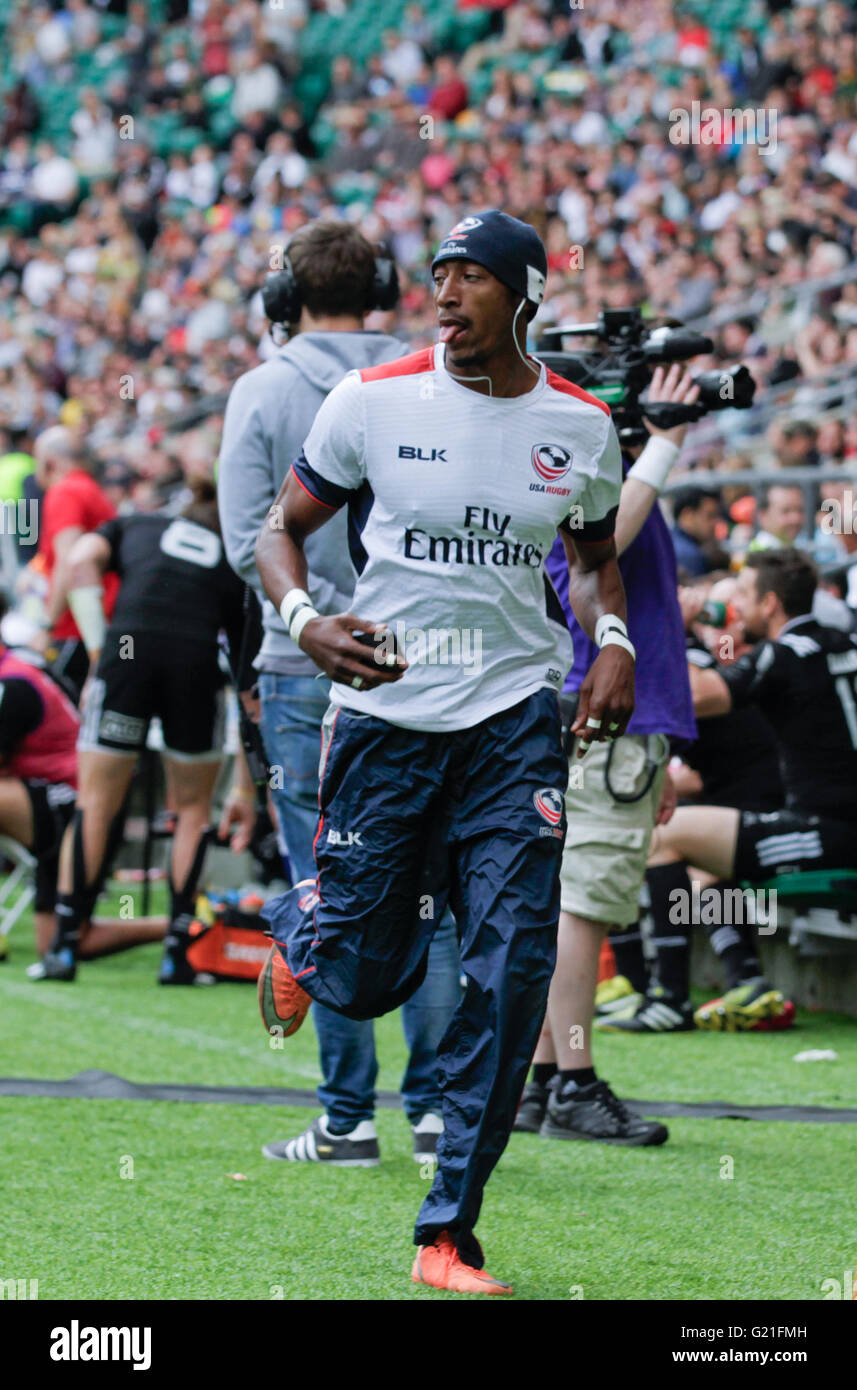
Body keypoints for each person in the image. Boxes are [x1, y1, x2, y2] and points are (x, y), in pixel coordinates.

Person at [254, 210, 634, 1295]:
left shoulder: (582, 425)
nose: (446, 292)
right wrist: (302, 620)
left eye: (470, 276)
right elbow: (276, 529)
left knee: (513, 963)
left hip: (513, 718)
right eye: (436, 275)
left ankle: (446, 1232)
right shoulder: (369, 399)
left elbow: (594, 561)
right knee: (370, 977)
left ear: (522, 296)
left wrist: (608, 638)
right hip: (384, 715)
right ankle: (305, 928)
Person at [218, 219, 461, 1168]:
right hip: (422, 664)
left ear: (284, 301)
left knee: (325, 882)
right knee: (428, 887)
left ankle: (346, 1118)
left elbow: (250, 536)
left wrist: (307, 616)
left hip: (300, 661)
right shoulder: (428, 379)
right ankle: (434, 1110)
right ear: (388, 289)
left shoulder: (265, 388)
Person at [516, 365, 699, 1143]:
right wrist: (661, 446)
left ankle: (544, 1080)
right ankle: (572, 1086)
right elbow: (602, 542)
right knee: (581, 906)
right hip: (608, 714)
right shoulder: (573, 478)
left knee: (567, 902)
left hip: (609, 719)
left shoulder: (551, 467)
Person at [30, 479, 247, 983]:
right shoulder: (232, 556)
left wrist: (98, 648)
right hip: (196, 663)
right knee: (191, 810)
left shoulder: (137, 523)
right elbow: (242, 658)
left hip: (128, 652)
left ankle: (63, 945)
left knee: (95, 801)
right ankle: (178, 952)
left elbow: (80, 560)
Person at [649, 549, 857, 903]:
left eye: (743, 594)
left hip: (824, 832)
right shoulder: (845, 643)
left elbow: (695, 695)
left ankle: (677, 961)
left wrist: (671, 624)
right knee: (706, 847)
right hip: (828, 825)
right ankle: (737, 959)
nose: (737, 606)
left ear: (770, 603)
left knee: (660, 838)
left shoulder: (781, 655)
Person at [31, 426, 118, 701]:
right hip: (99, 622)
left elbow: (69, 563)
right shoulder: (89, 489)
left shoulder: (65, 492)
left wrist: (47, 626)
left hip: (77, 629)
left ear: (49, 462)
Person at [669, 484, 721, 577]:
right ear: (688, 515)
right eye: (710, 516)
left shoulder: (669, 541)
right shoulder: (689, 555)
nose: (716, 523)